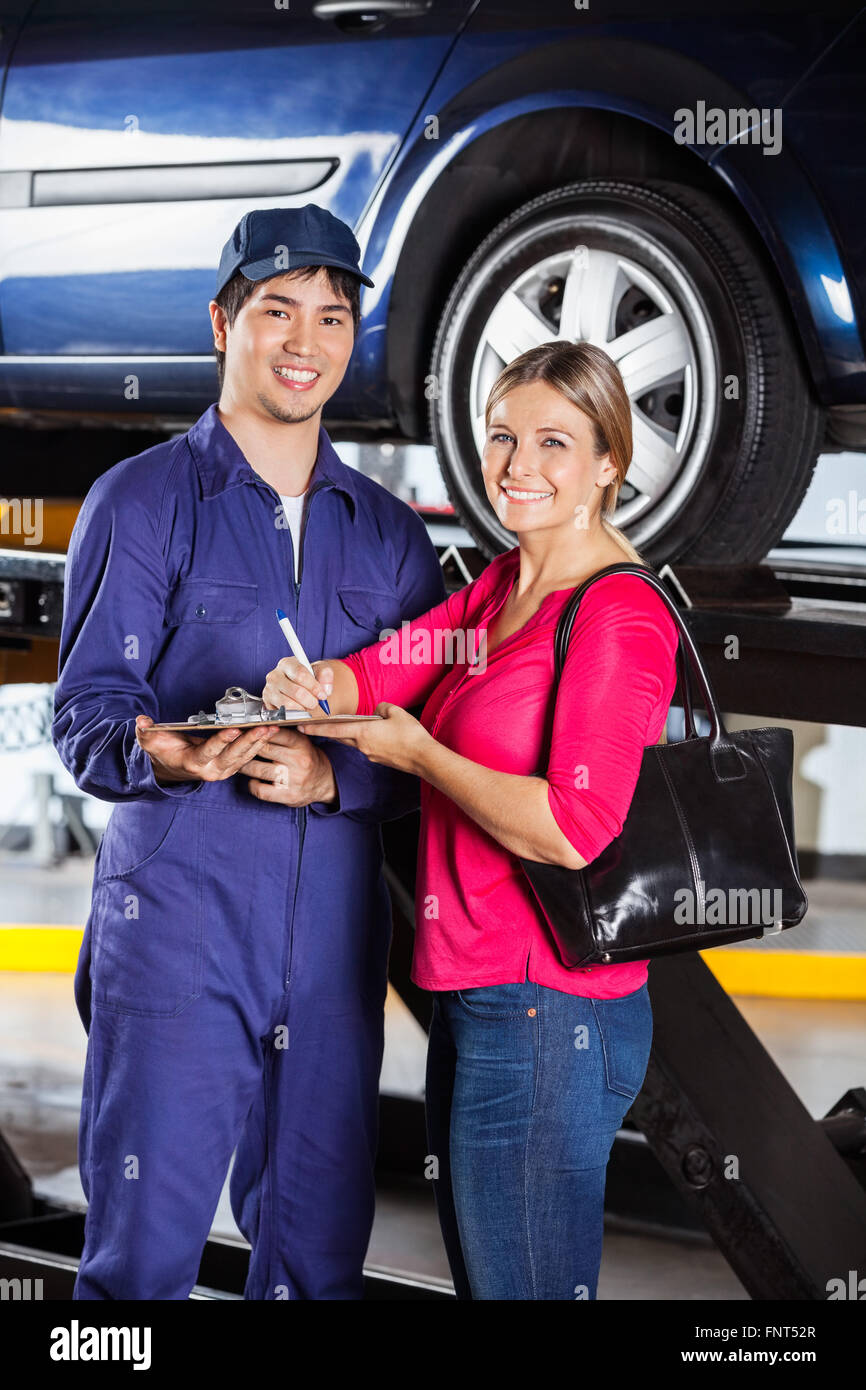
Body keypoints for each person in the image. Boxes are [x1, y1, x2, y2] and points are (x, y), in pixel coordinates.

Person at [52, 204, 445, 1300]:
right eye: (275, 309)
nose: (303, 339)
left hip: (328, 948)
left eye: (330, 314)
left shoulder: (390, 534)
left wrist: (335, 774)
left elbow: (432, 741)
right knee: (138, 1266)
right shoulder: (140, 501)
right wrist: (175, 752)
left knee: (317, 1265)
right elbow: (87, 712)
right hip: (176, 928)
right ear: (223, 321)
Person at [263, 339, 680, 1300]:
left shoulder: (616, 615)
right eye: (501, 436)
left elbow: (575, 828)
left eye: (553, 442)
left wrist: (422, 757)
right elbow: (381, 672)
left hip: (549, 1011)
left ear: (610, 462)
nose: (518, 466)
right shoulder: (501, 589)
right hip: (482, 997)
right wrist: (309, 682)